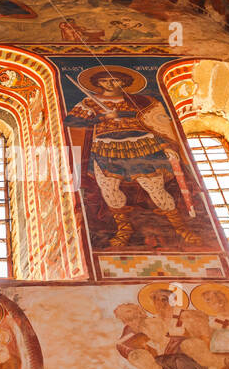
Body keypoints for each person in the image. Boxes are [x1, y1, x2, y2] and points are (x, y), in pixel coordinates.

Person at [65, 66, 197, 247]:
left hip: (143, 145)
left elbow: (158, 123)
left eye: (115, 79)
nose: (110, 83)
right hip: (105, 147)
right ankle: (124, 228)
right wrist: (102, 118)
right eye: (105, 80)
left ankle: (181, 228)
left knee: (154, 187)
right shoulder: (90, 102)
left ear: (124, 82)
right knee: (109, 189)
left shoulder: (143, 101)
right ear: (98, 83)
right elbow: (71, 120)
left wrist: (166, 145)